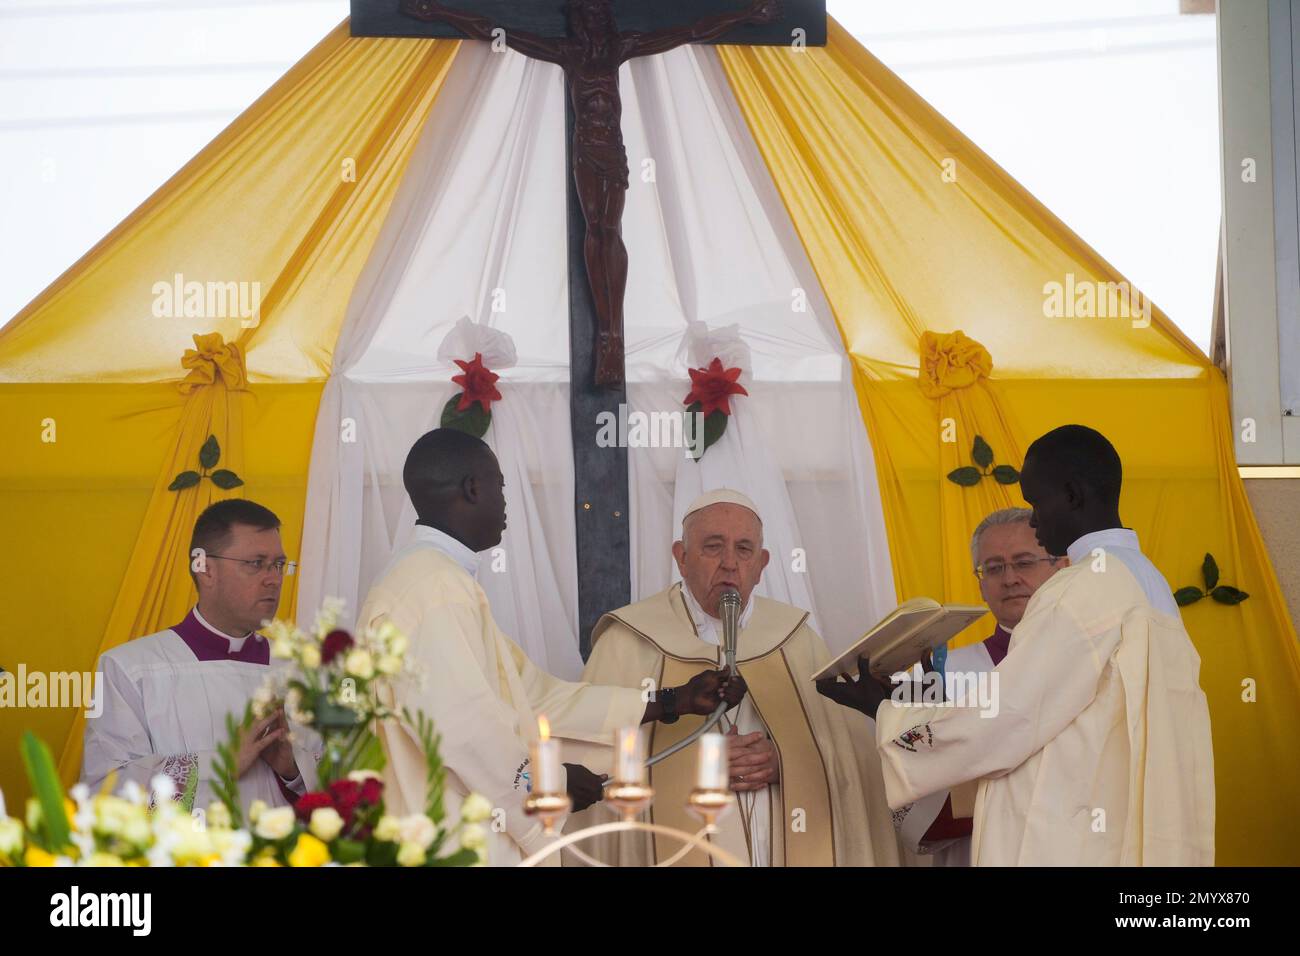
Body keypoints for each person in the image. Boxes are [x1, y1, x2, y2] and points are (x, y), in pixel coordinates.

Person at [818, 425, 1215, 865]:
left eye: (1036, 502)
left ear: (1073, 494)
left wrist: (886, 709)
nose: (1034, 520)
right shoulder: (1148, 582)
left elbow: (1006, 719)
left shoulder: (1081, 589)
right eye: (993, 568)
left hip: (1067, 841)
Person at [358, 429, 741, 866]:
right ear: (472, 488)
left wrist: (672, 700)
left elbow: (535, 697)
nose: (506, 502)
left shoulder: (437, 582)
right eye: (500, 486)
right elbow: (464, 733)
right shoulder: (432, 589)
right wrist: (551, 784)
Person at [573, 489, 900, 866]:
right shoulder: (627, 643)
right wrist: (692, 765)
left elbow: (849, 754)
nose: (730, 563)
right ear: (681, 557)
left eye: (744, 550)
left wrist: (785, 761)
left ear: (761, 565)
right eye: (713, 547)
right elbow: (592, 763)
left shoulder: (796, 639)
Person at [83, 499, 319, 812]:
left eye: (278, 565)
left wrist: (292, 770)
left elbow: (341, 797)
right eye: (255, 563)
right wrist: (217, 765)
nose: (273, 578)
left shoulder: (301, 671)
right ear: (205, 568)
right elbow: (105, 794)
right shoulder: (130, 670)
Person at [894, 507, 1062, 866]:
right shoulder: (943, 672)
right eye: (994, 568)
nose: (1010, 578)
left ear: (1060, 567)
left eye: (1024, 562)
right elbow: (910, 806)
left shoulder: (1093, 659)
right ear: (981, 584)